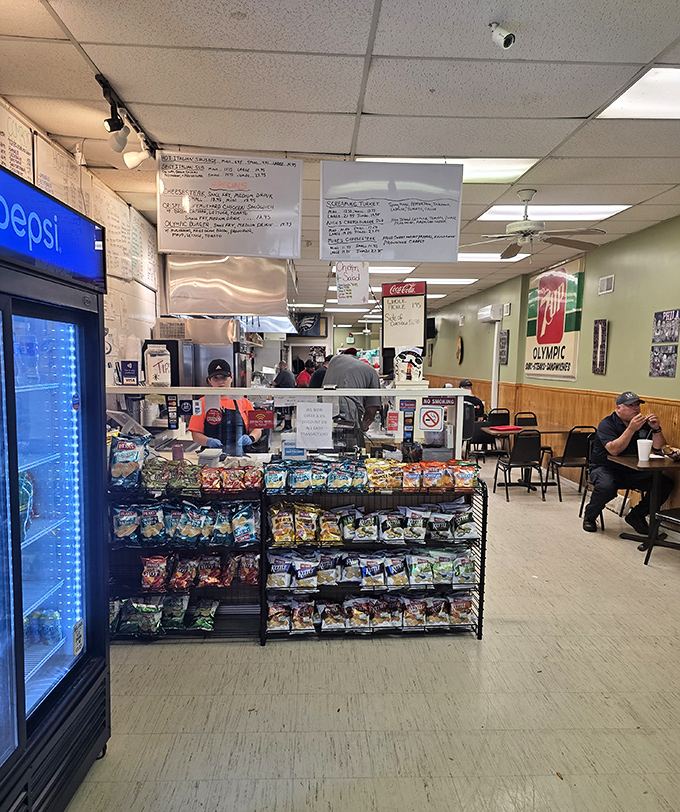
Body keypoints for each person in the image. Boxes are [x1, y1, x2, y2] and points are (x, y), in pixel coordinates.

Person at [583, 391, 673, 533]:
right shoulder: (607, 424)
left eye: (637, 405)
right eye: (631, 405)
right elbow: (614, 450)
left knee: (664, 483)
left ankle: (637, 515)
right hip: (605, 468)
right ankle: (590, 516)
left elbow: (659, 449)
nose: (636, 409)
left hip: (633, 469)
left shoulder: (643, 424)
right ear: (618, 408)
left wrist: (656, 429)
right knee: (607, 486)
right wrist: (631, 429)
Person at [188, 359, 261, 454]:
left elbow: (257, 429)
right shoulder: (202, 403)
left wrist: (251, 438)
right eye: (216, 378)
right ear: (209, 380)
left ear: (231, 377)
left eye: (224, 377)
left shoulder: (244, 402)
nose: (220, 382)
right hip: (211, 457)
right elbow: (196, 434)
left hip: (240, 457)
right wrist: (208, 441)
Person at [323, 348, 381, 435]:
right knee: (351, 444)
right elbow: (371, 411)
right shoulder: (371, 371)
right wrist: (363, 428)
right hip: (350, 414)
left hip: (324, 414)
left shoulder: (333, 361)